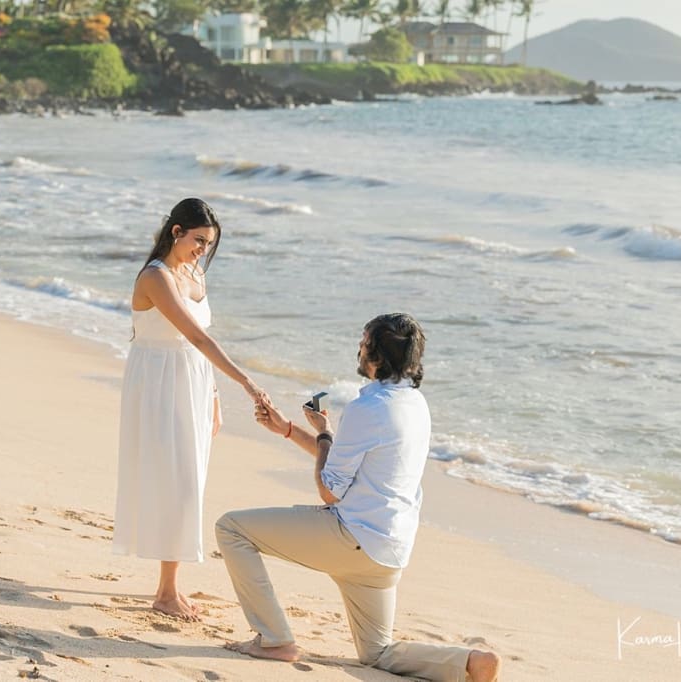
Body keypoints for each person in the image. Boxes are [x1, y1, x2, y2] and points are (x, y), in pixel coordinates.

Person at [216, 313, 501, 682]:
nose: (359, 347)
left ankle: (273, 640)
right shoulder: (417, 405)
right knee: (376, 653)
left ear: (378, 357)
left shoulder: (367, 408)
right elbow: (353, 470)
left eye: (364, 342)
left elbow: (330, 490)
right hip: (388, 551)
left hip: (350, 539)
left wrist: (324, 434)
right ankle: (469, 663)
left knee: (232, 528)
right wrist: (288, 429)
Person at [114, 198, 265, 621]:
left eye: (209, 244)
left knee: (191, 478)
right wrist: (247, 383)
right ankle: (166, 591)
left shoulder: (194, 273)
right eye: (198, 240)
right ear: (176, 232)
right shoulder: (155, 277)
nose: (202, 250)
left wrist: (214, 396)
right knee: (177, 481)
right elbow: (197, 338)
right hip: (160, 381)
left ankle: (168, 582)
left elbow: (199, 347)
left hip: (193, 381)